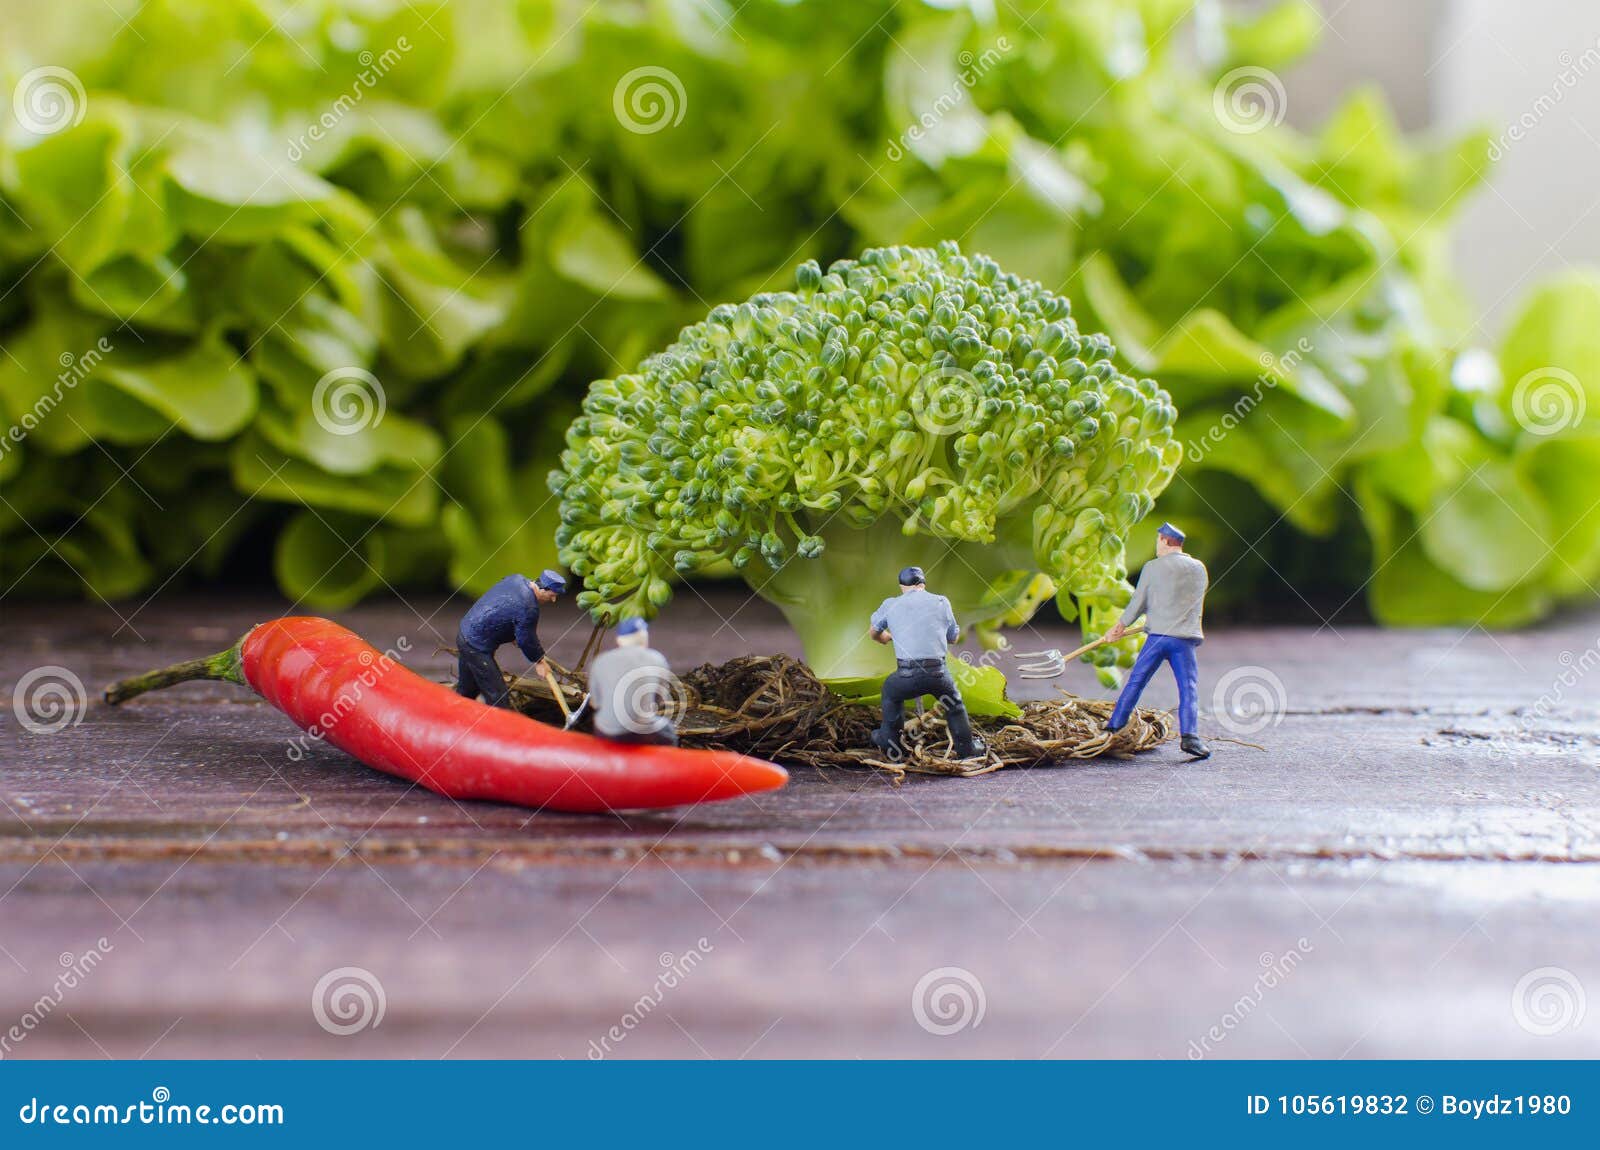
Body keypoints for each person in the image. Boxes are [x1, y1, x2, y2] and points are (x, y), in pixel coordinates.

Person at [1104, 524, 1211, 759]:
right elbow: (1195, 604)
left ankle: (1114, 726)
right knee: (1188, 688)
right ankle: (1190, 737)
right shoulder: (1199, 569)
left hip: (1157, 637)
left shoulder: (1152, 567)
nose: (1156, 546)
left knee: (1136, 682)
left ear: (1164, 541)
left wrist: (1119, 627)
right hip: (1184, 640)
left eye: (1158, 541)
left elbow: (1138, 602)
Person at [867, 566, 985, 760]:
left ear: (901, 586)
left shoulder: (891, 604)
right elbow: (953, 637)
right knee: (954, 704)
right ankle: (966, 748)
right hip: (938, 673)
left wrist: (886, 637)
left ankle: (890, 741)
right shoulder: (941, 602)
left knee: (890, 692)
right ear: (922, 584)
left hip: (907, 675)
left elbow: (874, 633)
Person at [455, 570, 567, 709]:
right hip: (476, 647)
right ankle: (499, 726)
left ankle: (457, 714)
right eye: (552, 595)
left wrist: (512, 633)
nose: (553, 600)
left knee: (468, 689)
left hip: (464, 632)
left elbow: (503, 606)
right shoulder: (529, 609)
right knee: (498, 696)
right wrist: (539, 661)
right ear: (544, 589)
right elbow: (526, 639)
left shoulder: (516, 579)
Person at [589, 618, 679, 746]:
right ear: (644, 639)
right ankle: (665, 763)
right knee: (668, 731)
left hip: (605, 731)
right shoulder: (657, 659)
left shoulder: (600, 660)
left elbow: (596, 703)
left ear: (619, 640)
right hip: (640, 732)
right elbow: (659, 700)